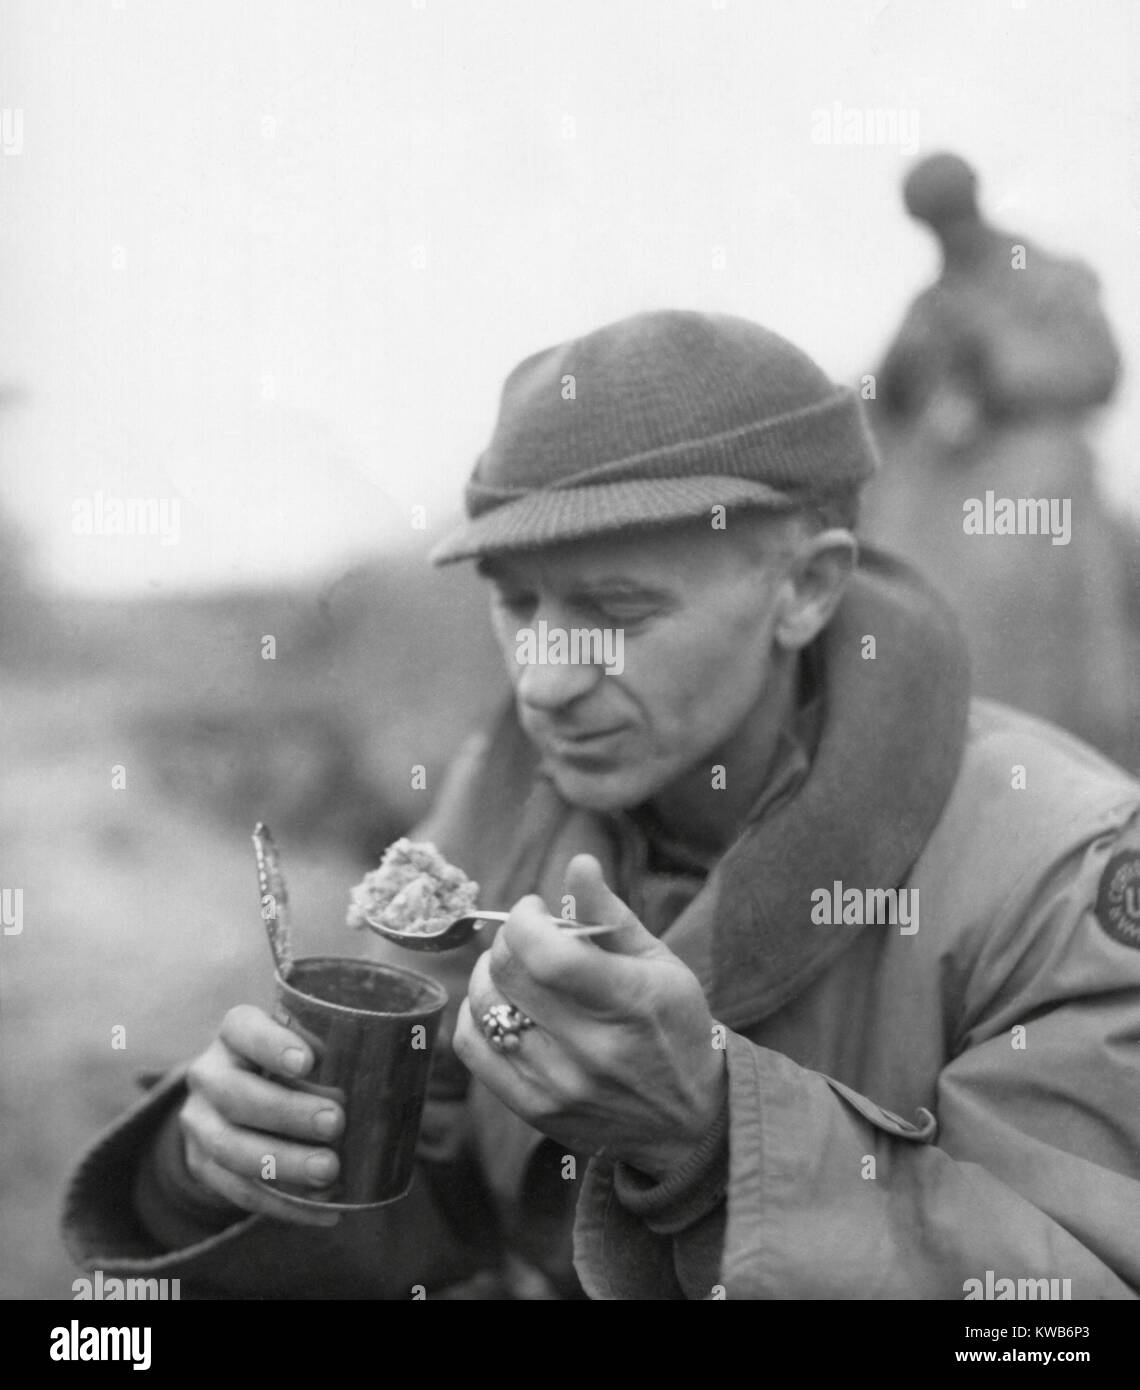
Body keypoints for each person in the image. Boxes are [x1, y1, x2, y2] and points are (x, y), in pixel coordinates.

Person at [62, 310, 1140, 1299]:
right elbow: (437, 1201)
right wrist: (213, 1170)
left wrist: (715, 1139)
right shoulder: (503, 801)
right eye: (516, 605)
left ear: (806, 590)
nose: (542, 680)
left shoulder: (1058, 869)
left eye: (617, 612)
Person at [863, 152, 1140, 769]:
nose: (947, 236)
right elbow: (887, 399)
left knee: (1026, 528)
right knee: (891, 543)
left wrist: (992, 355)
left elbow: (1097, 369)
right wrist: (904, 373)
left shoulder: (1049, 278)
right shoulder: (930, 303)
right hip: (946, 490)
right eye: (934, 224)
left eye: (952, 217)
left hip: (1032, 486)